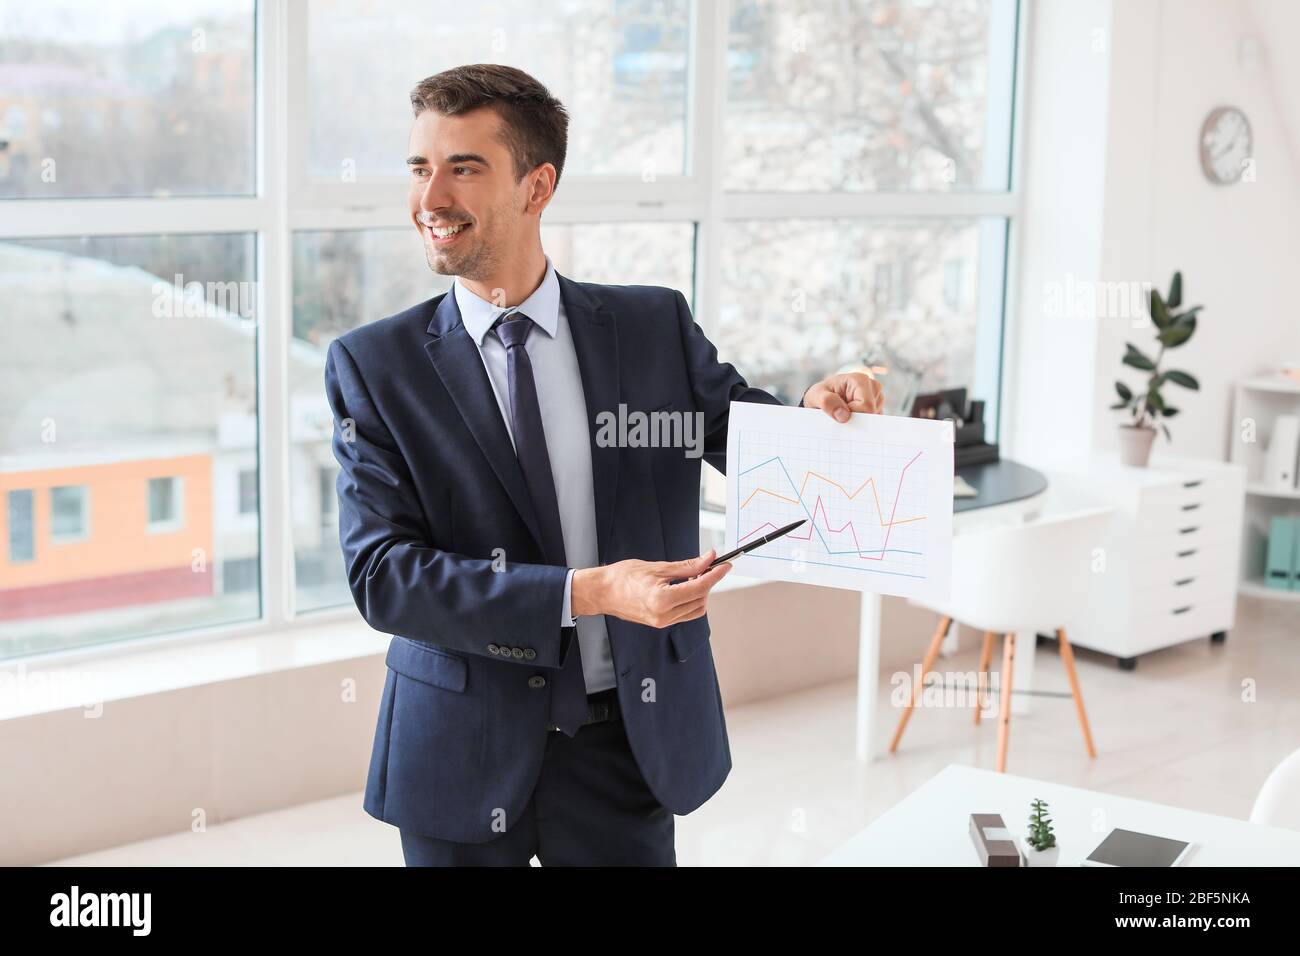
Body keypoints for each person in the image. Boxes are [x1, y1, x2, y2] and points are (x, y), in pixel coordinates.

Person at [323, 63, 884, 866]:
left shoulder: (651, 326)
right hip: (461, 747)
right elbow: (383, 575)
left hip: (630, 738)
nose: (429, 199)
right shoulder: (375, 366)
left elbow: (756, 447)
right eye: (419, 168)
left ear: (537, 184)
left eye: (464, 168)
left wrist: (829, 410)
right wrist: (588, 593)